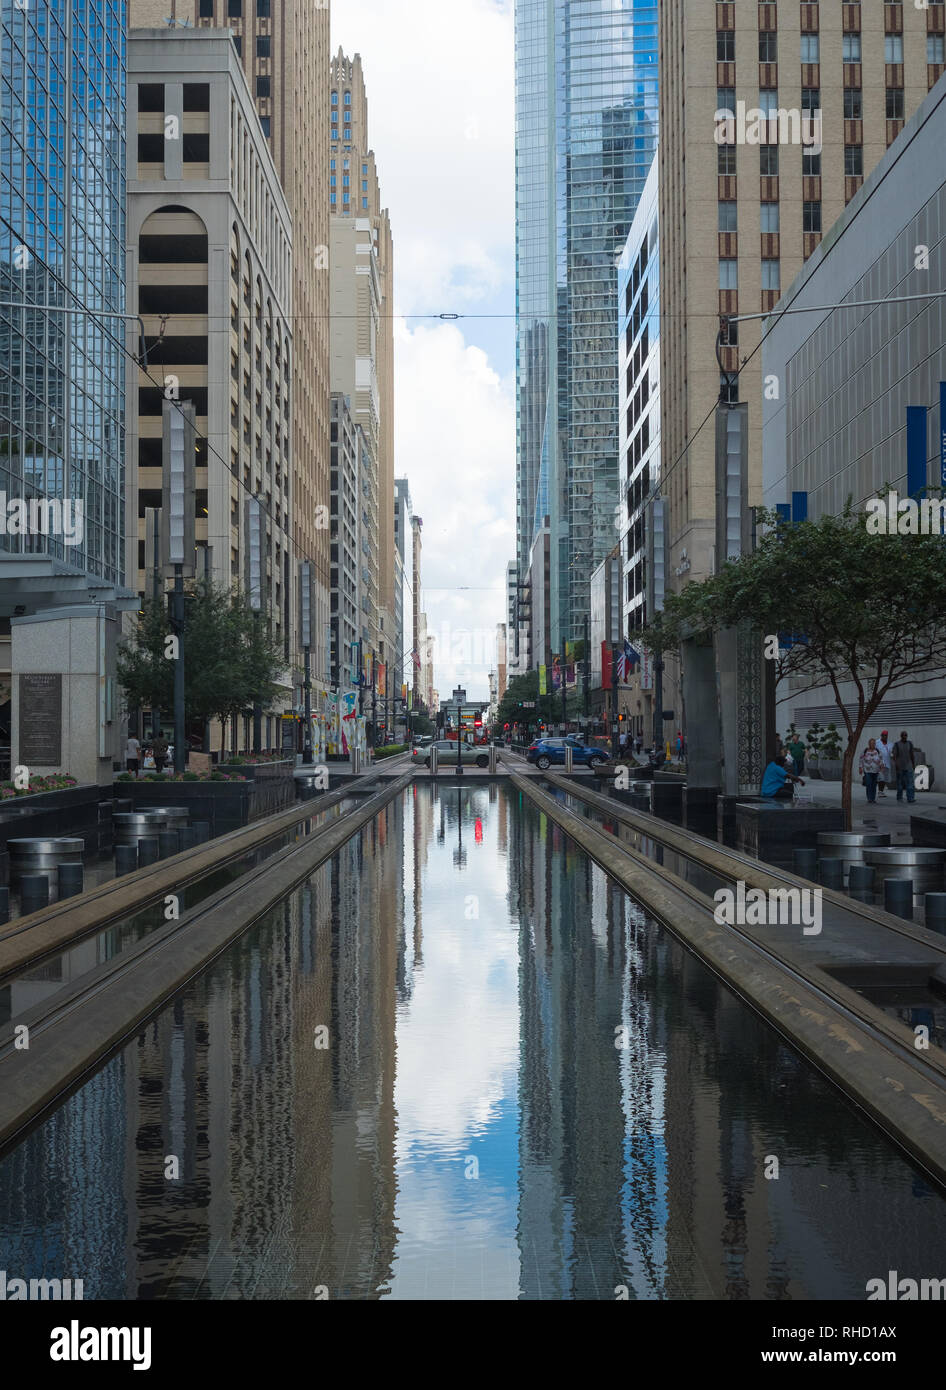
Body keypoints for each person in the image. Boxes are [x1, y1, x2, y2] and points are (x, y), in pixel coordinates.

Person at [891, 730, 916, 803]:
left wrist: (913, 764)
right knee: (900, 784)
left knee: (910, 783)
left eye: (906, 735)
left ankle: (910, 798)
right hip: (900, 767)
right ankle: (899, 797)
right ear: (901, 736)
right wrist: (896, 764)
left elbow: (912, 755)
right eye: (903, 735)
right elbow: (894, 756)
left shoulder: (910, 744)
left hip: (909, 766)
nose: (905, 736)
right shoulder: (897, 744)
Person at [858, 737, 883, 804]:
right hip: (867, 771)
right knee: (869, 784)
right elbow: (861, 760)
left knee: (874, 785)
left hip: (876, 771)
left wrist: (881, 766)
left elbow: (881, 759)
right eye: (871, 743)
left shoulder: (877, 751)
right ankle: (869, 798)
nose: (872, 745)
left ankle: (873, 798)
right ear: (869, 744)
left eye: (874, 743)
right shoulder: (865, 751)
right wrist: (860, 768)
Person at [877, 730, 891, 797]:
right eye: (884, 735)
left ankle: (881, 791)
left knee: (885, 778)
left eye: (886, 735)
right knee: (881, 778)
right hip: (880, 763)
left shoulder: (889, 743)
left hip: (887, 763)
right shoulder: (877, 742)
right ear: (881, 735)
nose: (885, 737)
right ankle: (880, 791)